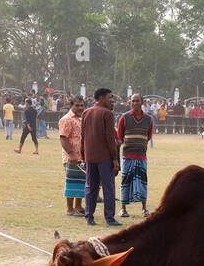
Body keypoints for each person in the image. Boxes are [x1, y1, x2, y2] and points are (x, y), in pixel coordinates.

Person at [81, 87, 121, 227]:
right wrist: (115, 159)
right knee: (108, 188)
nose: (112, 100)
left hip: (89, 156)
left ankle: (89, 216)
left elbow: (83, 137)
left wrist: (83, 156)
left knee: (91, 187)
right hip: (104, 157)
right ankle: (109, 218)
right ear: (102, 98)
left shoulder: (86, 112)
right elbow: (110, 139)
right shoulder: (107, 114)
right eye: (110, 97)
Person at [118, 93, 154, 217]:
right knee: (125, 181)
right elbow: (119, 137)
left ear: (142, 102)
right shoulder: (124, 117)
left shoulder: (148, 119)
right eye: (133, 101)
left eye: (137, 101)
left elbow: (148, 136)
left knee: (143, 181)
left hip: (141, 156)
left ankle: (144, 209)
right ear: (130, 102)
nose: (135, 103)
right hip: (127, 156)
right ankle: (123, 209)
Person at [58, 96, 86, 217]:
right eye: (77, 105)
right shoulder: (66, 119)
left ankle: (78, 207)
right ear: (71, 105)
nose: (80, 108)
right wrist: (71, 154)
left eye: (82, 105)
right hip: (72, 157)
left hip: (82, 157)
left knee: (81, 182)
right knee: (71, 182)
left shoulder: (81, 119)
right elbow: (63, 138)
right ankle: (69, 209)